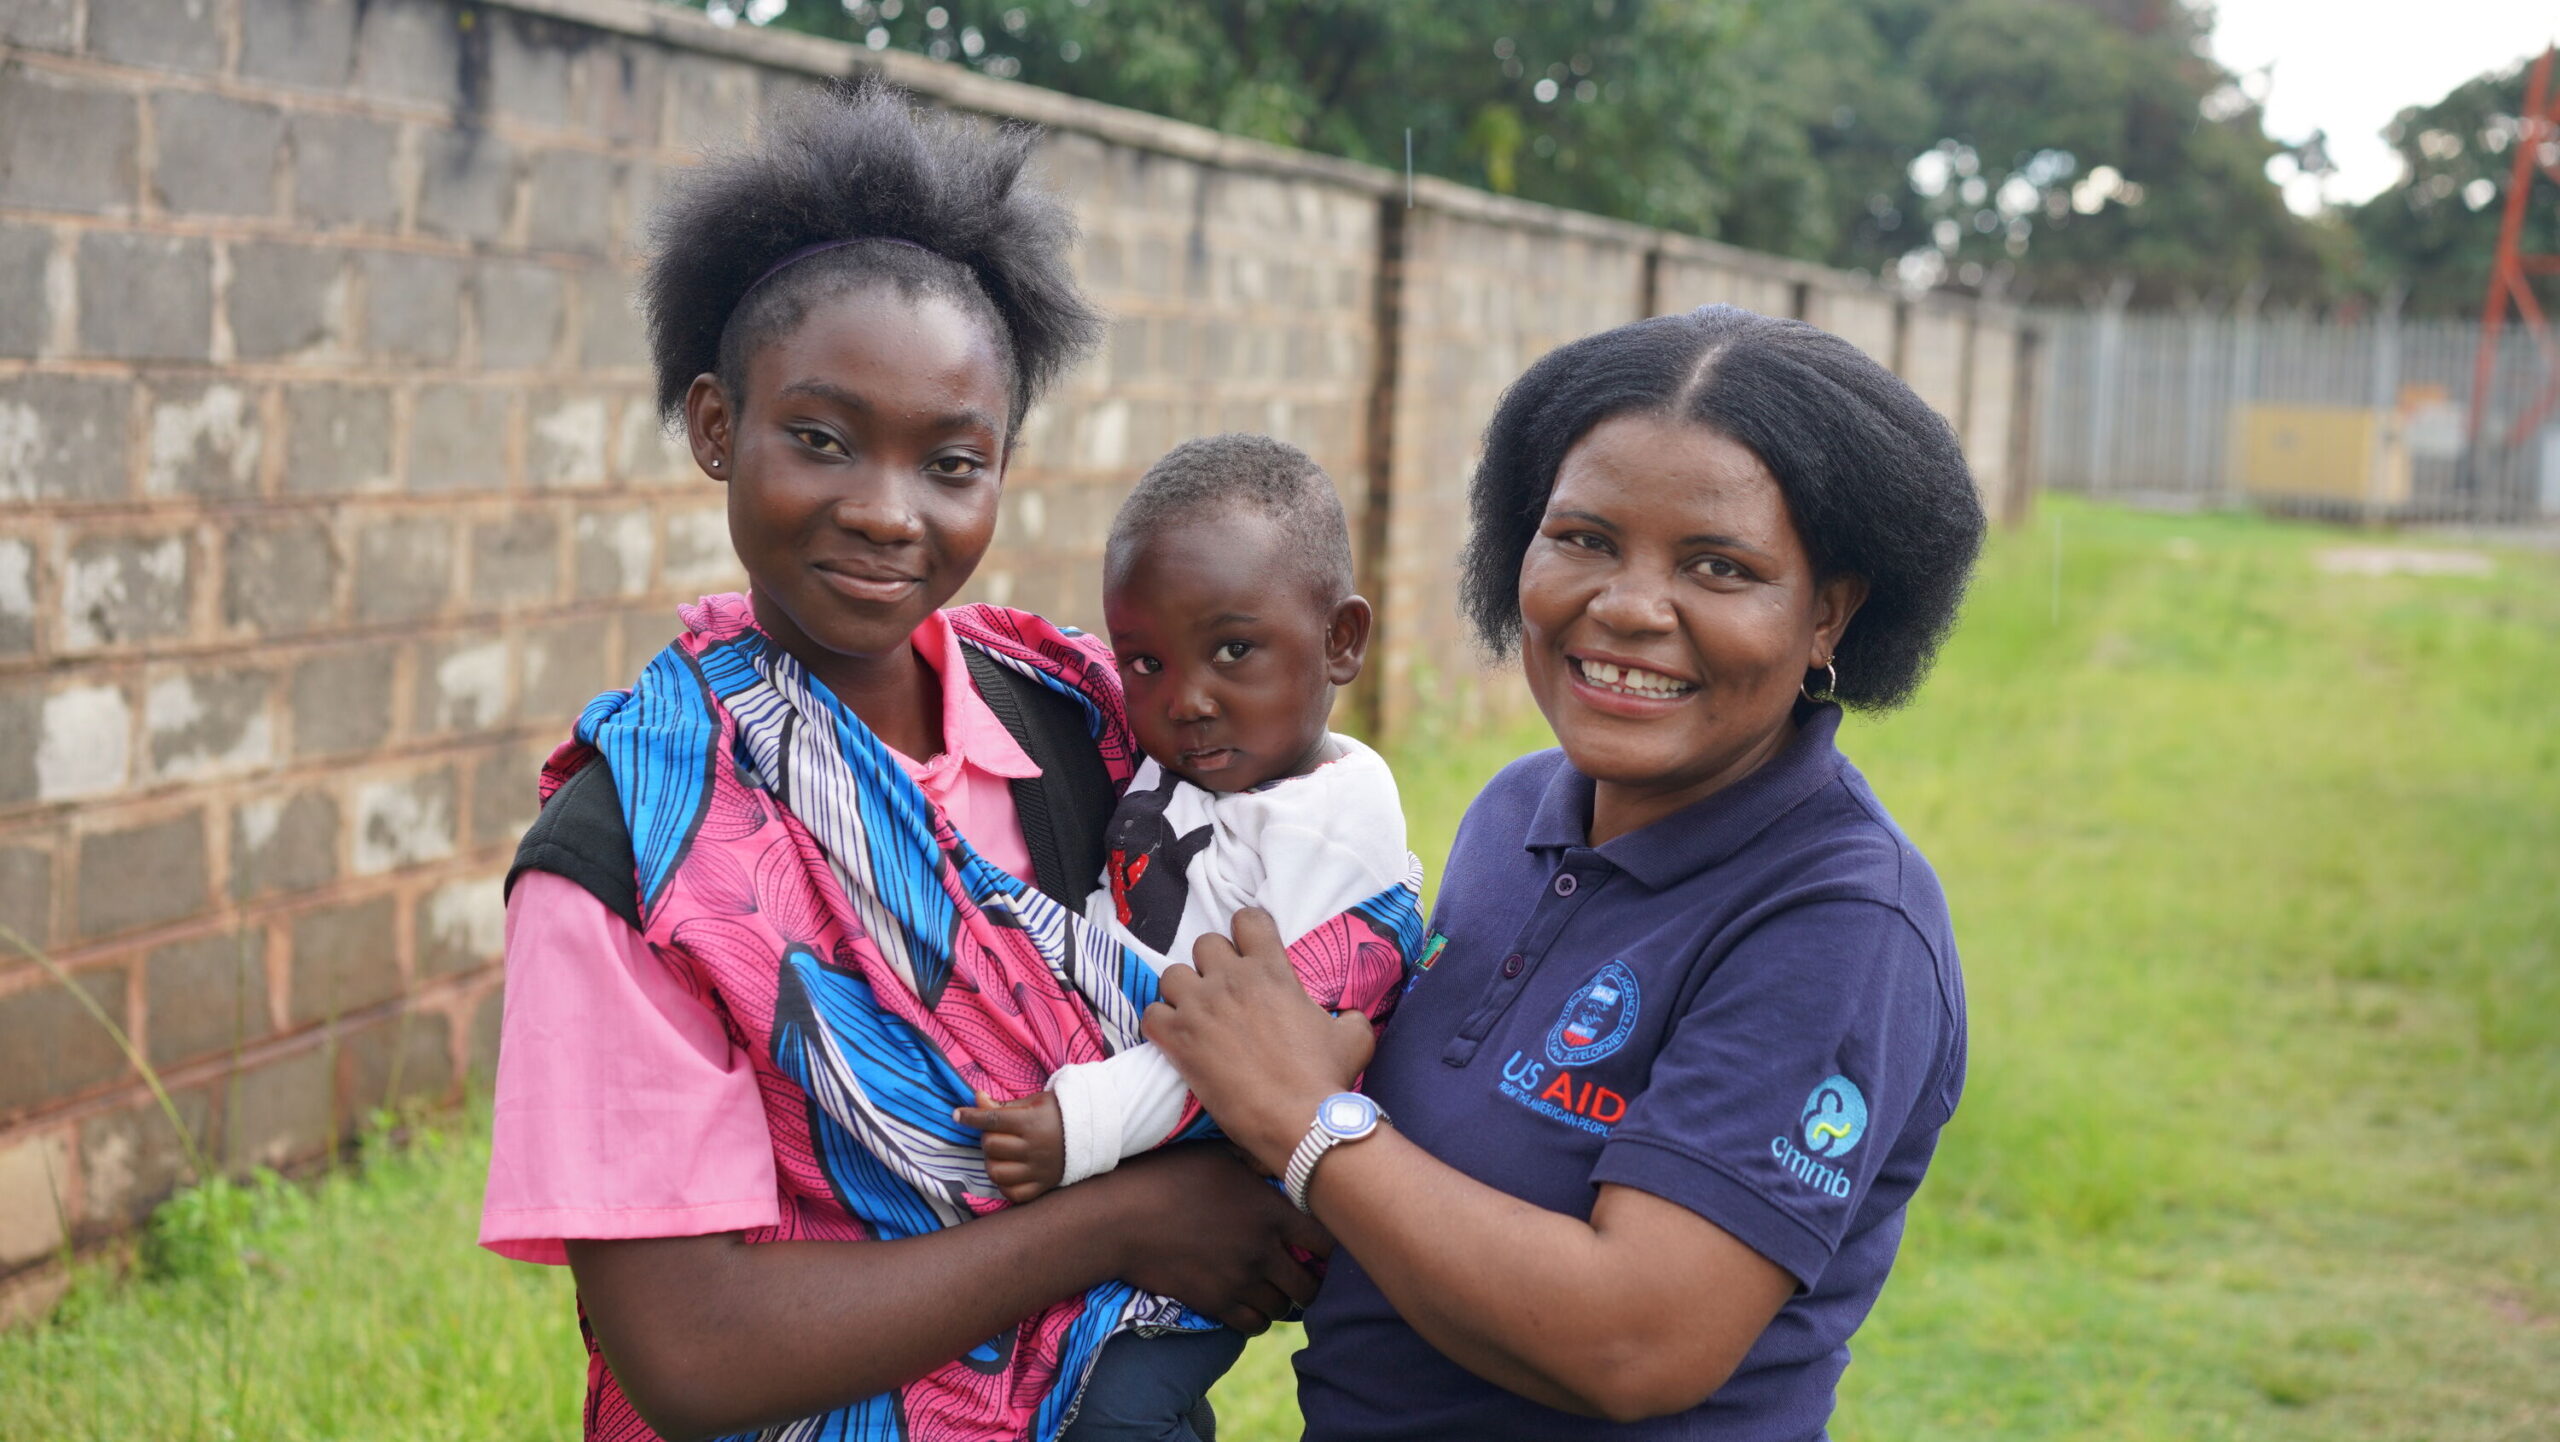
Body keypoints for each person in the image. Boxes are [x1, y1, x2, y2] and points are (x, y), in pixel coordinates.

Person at [478, 85, 1419, 1442]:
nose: (883, 507)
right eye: (821, 437)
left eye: (951, 460)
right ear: (711, 427)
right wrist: (1125, 1218)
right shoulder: (629, 842)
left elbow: (1341, 911)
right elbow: (687, 1354)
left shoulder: (1093, 725)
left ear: (1002, 473)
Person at [1143, 305, 1986, 1440]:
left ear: (1828, 611)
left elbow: (1634, 1339)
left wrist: (1305, 1120)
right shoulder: (1514, 813)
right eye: (1585, 537)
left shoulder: (1839, 918)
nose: (1628, 606)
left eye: (1718, 565)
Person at [957, 434, 1421, 1440]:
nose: (1186, 697)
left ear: (1342, 641)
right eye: (1145, 661)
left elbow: (1245, 1043)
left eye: (1233, 650)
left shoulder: (1332, 826)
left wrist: (1084, 1122)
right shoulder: (1199, 766)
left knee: (1119, 1406)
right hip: (1124, 1155)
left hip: (1225, 1179)